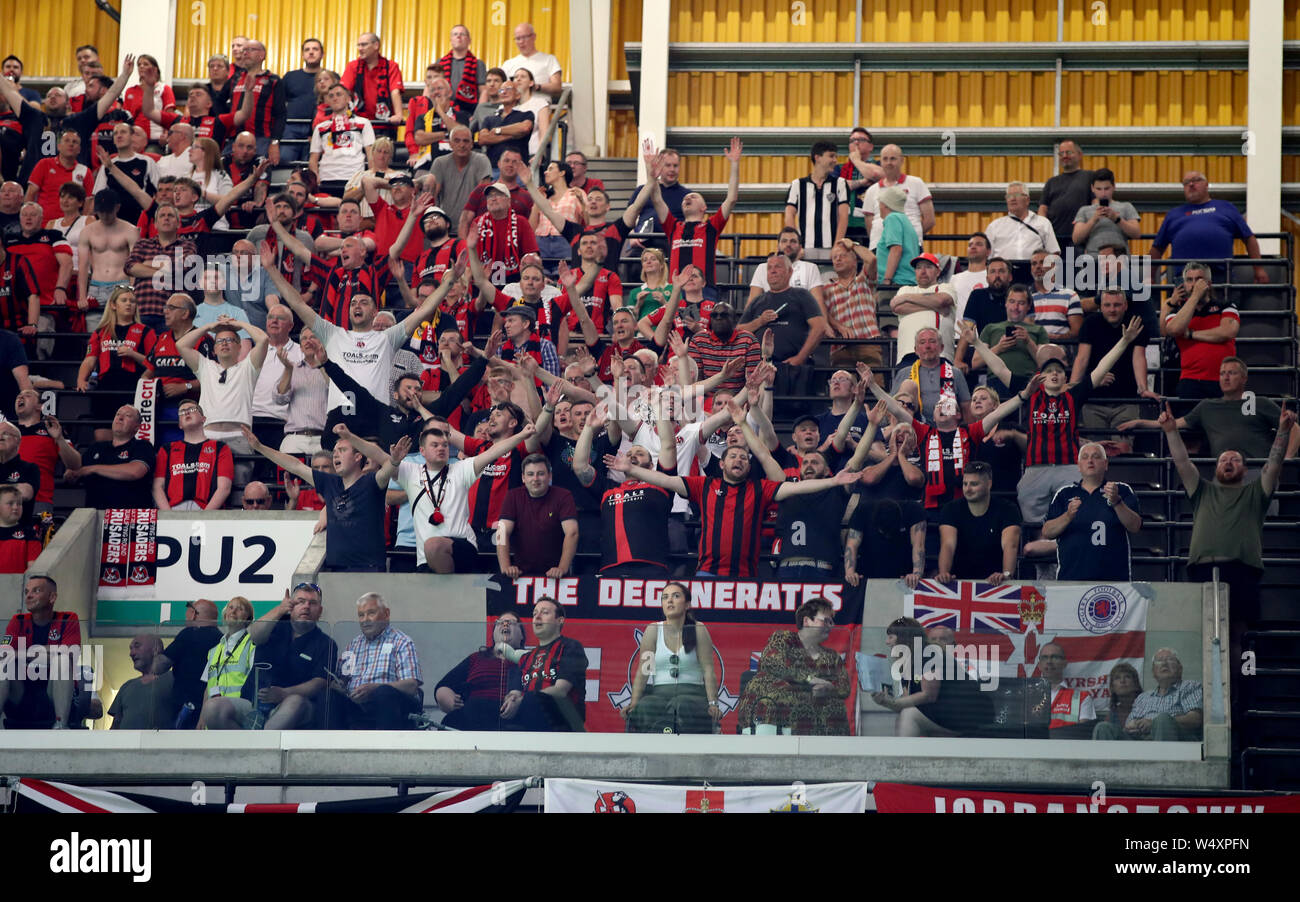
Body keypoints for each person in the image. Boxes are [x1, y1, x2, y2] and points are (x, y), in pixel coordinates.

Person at [608, 409, 860, 578]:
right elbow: (665, 479)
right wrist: (632, 470)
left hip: (745, 578)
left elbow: (798, 487)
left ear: (749, 466)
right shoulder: (704, 486)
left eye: (742, 457)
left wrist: (833, 482)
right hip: (707, 573)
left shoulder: (760, 488)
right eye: (733, 457)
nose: (738, 460)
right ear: (721, 464)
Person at [1164, 401, 1294, 662]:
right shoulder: (1202, 491)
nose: (1229, 462)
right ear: (1216, 468)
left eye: (1235, 459)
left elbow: (1274, 462)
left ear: (1245, 470)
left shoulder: (1255, 493)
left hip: (1241, 570)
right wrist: (1170, 431)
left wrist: (1282, 431)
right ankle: (1210, 699)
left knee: (1239, 636)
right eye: (1224, 459)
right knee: (1203, 635)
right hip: (1202, 569)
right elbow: (1181, 461)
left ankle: (1239, 700)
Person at [245, 423, 408, 571]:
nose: (336, 455)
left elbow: (389, 466)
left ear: (358, 457)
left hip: (369, 568)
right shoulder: (330, 482)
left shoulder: (373, 482)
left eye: (342, 451)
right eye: (335, 452)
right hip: (335, 569)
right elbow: (295, 465)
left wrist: (393, 460)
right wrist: (260, 447)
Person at [395, 422, 534, 573]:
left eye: (445, 445)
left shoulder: (461, 468)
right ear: (422, 450)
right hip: (426, 559)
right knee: (431, 550)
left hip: (462, 546)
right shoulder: (410, 470)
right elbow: (378, 457)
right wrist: (393, 461)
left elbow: (494, 452)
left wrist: (521, 435)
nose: (441, 448)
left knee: (433, 545)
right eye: (435, 445)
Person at [1121, 357, 1300, 461]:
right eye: (1222, 373)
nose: (1226, 377)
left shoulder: (1259, 402)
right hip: (1224, 474)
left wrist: (1288, 459)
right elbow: (1174, 424)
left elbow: (1294, 428)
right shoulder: (1207, 406)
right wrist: (1140, 422)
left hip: (1259, 472)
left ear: (1244, 378)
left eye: (1232, 373)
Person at [736, 598, 850, 735]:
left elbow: (844, 687)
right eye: (825, 621)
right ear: (807, 621)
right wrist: (809, 680)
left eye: (831, 622)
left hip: (815, 725)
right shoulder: (783, 639)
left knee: (835, 706)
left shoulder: (832, 656)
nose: (830, 626)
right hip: (772, 722)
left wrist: (828, 688)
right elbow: (773, 664)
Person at [623, 582, 720, 733]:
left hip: (692, 695)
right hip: (660, 694)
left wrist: (713, 703)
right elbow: (643, 672)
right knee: (646, 706)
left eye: (676, 596)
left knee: (680, 703)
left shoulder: (698, 629)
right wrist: (634, 703)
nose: (669, 601)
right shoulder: (653, 630)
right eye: (665, 597)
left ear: (687, 604)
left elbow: (708, 670)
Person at [871, 617, 992, 736]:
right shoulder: (909, 663)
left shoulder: (929, 653)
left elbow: (928, 695)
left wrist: (893, 702)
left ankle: (904, 755)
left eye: (891, 637)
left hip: (969, 716)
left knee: (909, 715)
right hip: (950, 716)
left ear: (904, 637)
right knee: (907, 712)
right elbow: (905, 702)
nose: (887, 642)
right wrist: (884, 701)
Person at [649, 137, 742, 290]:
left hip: (704, 291)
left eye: (694, 196)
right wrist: (651, 173)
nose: (688, 197)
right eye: (686, 197)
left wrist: (735, 164)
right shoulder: (673, 226)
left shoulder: (711, 226)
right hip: (675, 293)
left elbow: (731, 198)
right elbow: (657, 200)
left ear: (703, 207)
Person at [242, 583, 339, 729]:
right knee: (215, 708)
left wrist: (284, 693)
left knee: (294, 702)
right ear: (291, 606)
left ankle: (262, 747)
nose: (306, 606)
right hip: (253, 702)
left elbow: (320, 682)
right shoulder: (273, 626)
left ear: (320, 611)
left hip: (293, 706)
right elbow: (253, 635)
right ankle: (249, 745)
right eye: (300, 601)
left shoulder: (326, 643)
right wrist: (280, 609)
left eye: (312, 603)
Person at [1040, 443, 1141, 580]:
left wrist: (1117, 502)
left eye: (1096, 457)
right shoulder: (1064, 494)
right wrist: (1068, 516)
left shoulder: (1121, 490)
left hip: (1114, 582)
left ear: (1105, 464)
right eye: (1085, 457)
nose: (1090, 461)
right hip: (1071, 580)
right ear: (1079, 465)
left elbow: (1135, 526)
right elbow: (1047, 532)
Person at [1151, 171, 1267, 283]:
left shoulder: (1226, 207)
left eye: (1196, 180)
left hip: (1220, 276)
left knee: (1224, 303)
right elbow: (1157, 248)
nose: (1191, 184)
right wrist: (1149, 277)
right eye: (1186, 182)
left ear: (1206, 185)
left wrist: (1259, 269)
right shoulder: (1173, 214)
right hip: (1184, 279)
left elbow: (1249, 238)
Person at [738, 253, 827, 398]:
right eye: (769, 268)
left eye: (778, 267)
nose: (772, 271)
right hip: (761, 369)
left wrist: (800, 358)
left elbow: (819, 327)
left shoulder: (802, 295)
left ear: (790, 271)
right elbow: (739, 331)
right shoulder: (758, 301)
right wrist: (760, 321)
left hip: (793, 369)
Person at [177, 317, 269, 455]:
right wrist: (209, 326)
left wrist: (239, 324)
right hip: (208, 436)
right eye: (219, 341)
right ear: (214, 349)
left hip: (239, 436)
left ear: (239, 347)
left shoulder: (248, 367)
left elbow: (263, 340)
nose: (224, 343)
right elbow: (181, 345)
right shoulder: (205, 366)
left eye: (230, 340)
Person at [332, 592, 423, 729]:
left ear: (386, 614)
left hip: (389, 707)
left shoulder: (402, 642)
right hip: (356, 707)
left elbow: (411, 685)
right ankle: (328, 747)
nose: (365, 620)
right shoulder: (353, 645)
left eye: (371, 613)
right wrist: (338, 685)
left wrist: (375, 688)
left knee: (383, 693)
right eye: (361, 615)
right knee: (328, 696)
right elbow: (341, 680)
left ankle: (385, 748)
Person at [0, 575, 80, 729]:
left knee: (62, 660)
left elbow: (69, 653)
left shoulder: (68, 618)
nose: (29, 595)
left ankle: (61, 725)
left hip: (54, 694)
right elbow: (4, 654)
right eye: (27, 591)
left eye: (36, 591)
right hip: (21, 693)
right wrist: (50, 653)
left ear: (52, 597)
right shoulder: (18, 620)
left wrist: (20, 653)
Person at [498, 597, 587, 731]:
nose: (537, 617)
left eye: (544, 613)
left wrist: (523, 700)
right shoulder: (526, 658)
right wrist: (512, 699)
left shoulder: (570, 647)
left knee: (531, 700)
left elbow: (561, 691)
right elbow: (514, 693)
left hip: (561, 722)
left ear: (559, 620)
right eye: (534, 614)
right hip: (527, 719)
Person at [1161, 262, 1239, 406]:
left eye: (1198, 279)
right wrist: (1195, 296)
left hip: (1222, 380)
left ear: (1208, 283)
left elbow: (1227, 332)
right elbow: (1173, 330)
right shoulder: (1177, 313)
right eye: (1189, 280)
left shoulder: (1226, 306)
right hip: (1190, 381)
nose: (1194, 284)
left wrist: (1191, 334)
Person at [435, 611, 524, 731]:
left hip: (510, 716)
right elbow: (444, 685)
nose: (505, 625)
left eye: (511, 623)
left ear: (522, 635)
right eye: (500, 623)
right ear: (493, 634)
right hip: (472, 715)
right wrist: (450, 700)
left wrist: (520, 699)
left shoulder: (528, 658)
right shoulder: (476, 658)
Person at [936, 461, 1021, 584]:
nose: (968, 489)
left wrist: (1006, 575)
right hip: (959, 582)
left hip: (995, 582)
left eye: (974, 484)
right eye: (965, 484)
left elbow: (1010, 545)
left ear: (989, 484)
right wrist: (944, 573)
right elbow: (948, 545)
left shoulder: (1008, 509)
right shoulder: (950, 509)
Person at [496, 453, 578, 578]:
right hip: (520, 574)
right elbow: (502, 531)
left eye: (540, 473)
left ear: (549, 476)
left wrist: (562, 568)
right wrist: (506, 567)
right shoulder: (512, 496)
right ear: (523, 478)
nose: (535, 478)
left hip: (556, 574)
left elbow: (572, 532)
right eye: (530, 474)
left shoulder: (563, 496)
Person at [1093, 648, 1203, 741]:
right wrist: (1134, 725)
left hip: (1174, 741)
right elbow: (1128, 726)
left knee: (1163, 720)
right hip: (1140, 741)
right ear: (1154, 672)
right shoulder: (1143, 697)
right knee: (1103, 728)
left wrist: (1153, 723)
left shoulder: (1189, 686)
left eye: (1170, 660)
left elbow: (1195, 719)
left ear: (1180, 669)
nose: (1164, 663)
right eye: (1159, 661)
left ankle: (1162, 767)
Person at [65, 404, 155, 509]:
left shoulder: (142, 446)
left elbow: (135, 472)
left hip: (131, 517)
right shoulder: (96, 448)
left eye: (128, 416)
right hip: (96, 517)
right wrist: (59, 439)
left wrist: (93, 468)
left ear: (137, 427)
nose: (120, 418)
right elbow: (76, 473)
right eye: (118, 414)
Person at [152, 401, 234, 511]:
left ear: (203, 419)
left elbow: (224, 488)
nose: (186, 413)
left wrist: (205, 516)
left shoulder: (220, 448)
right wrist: (169, 515)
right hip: (173, 510)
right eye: (182, 412)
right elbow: (157, 487)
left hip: (208, 510)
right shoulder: (166, 449)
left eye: (192, 409)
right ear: (180, 425)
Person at [75, 190, 138, 332]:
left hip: (122, 285)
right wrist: (82, 296)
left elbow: (134, 265)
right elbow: (83, 266)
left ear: (117, 207)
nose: (104, 215)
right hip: (96, 286)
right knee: (94, 335)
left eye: (108, 211)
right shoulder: (87, 231)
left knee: (122, 332)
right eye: (101, 211)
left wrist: (132, 291)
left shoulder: (130, 230)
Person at [151, 598, 221, 725]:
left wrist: (157, 653)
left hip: (185, 708)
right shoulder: (222, 640)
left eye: (189, 610)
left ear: (194, 614)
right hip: (212, 708)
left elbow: (159, 667)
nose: (186, 615)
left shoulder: (188, 634)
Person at [973, 284, 1049, 396]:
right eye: (1012, 301)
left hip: (1028, 381)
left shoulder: (1038, 330)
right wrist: (999, 348)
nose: (1015, 307)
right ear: (1006, 303)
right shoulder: (991, 328)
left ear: (1028, 306)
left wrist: (1028, 342)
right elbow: (975, 363)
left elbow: (1046, 364)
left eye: (1021, 303)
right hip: (996, 381)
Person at [890, 326, 972, 424]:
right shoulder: (904, 373)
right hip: (914, 429)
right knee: (908, 386)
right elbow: (891, 408)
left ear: (941, 348)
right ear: (916, 350)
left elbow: (966, 408)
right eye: (922, 342)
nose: (927, 346)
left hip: (947, 427)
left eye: (932, 341)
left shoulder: (955, 373)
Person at [197, 597, 256, 728]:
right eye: (230, 607)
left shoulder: (251, 644)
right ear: (225, 614)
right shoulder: (214, 651)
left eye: (240, 609)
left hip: (238, 716)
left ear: (248, 618)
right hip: (213, 716)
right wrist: (202, 718)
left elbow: (256, 683)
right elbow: (208, 688)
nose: (233, 611)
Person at [785, 140, 849, 260]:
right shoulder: (797, 184)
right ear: (818, 157)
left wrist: (837, 245)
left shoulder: (840, 184)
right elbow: (789, 215)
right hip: (805, 249)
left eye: (836, 156)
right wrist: (796, 245)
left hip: (831, 249)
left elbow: (844, 216)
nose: (835, 160)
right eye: (831, 156)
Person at [309, 83, 376, 196]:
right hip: (327, 178)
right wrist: (316, 177)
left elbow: (371, 153)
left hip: (354, 178)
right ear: (328, 101)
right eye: (331, 96)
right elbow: (313, 158)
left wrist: (371, 177)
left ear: (348, 99)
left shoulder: (363, 123)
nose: (335, 98)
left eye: (339, 94)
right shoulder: (320, 127)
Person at [822, 238, 880, 368]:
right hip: (840, 347)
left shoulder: (864, 280)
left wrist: (853, 245)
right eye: (835, 257)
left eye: (842, 256)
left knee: (874, 385)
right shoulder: (826, 288)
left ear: (855, 261)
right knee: (843, 386)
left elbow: (872, 259)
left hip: (868, 342)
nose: (838, 259)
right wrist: (839, 327)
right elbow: (821, 312)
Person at [891, 251, 957, 362]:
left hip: (941, 354)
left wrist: (907, 298)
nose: (923, 271)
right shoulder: (905, 289)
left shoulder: (946, 287)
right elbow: (897, 307)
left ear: (938, 272)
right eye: (918, 268)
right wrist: (935, 306)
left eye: (928, 267)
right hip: (908, 354)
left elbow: (942, 300)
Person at [340, 32, 405, 138]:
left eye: (364, 45)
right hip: (357, 125)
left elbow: (395, 91)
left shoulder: (391, 66)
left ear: (376, 46)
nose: (360, 48)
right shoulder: (353, 66)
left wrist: (398, 115)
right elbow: (344, 91)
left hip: (384, 124)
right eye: (359, 45)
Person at [430, 125, 491, 233]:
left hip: (473, 228)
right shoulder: (440, 163)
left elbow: (484, 195)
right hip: (445, 228)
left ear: (472, 144)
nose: (462, 145)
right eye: (457, 141)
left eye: (466, 141)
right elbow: (432, 196)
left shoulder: (481, 160)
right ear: (450, 144)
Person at [25, 129, 94, 223]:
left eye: (75, 142)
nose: (71, 144)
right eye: (67, 141)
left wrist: (81, 225)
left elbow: (89, 202)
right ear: (59, 146)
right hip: (43, 225)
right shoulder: (44, 164)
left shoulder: (85, 171)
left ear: (79, 150)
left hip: (71, 228)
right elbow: (30, 194)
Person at [107, 634, 174, 729]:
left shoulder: (174, 678)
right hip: (126, 743)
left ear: (156, 649)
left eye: (137, 646)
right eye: (131, 648)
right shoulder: (126, 686)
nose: (131, 653)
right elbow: (115, 725)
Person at [1038, 139, 1093, 253]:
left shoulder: (1090, 177)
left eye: (1068, 152)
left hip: (1080, 240)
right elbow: (1043, 209)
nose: (1065, 156)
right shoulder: (1051, 182)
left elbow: (1095, 206)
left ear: (1079, 155)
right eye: (1061, 153)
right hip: (1054, 241)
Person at [1071, 168, 1140, 256]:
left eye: (1106, 189)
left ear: (1113, 187)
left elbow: (1136, 233)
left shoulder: (1126, 206)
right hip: (1093, 261)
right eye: (1099, 189)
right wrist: (1093, 220)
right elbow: (1076, 238)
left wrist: (1117, 219)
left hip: (1119, 260)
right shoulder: (1084, 210)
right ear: (1092, 188)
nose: (1103, 193)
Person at [1034, 642, 1096, 737]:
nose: (1049, 661)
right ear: (1039, 665)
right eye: (1044, 657)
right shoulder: (1027, 695)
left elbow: (1084, 736)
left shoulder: (1082, 698)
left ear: (1065, 664)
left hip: (1067, 750)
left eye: (1054, 657)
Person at [984, 181, 1058, 261]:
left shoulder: (1043, 223)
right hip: (1003, 272)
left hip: (1034, 271)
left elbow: (1053, 252)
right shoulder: (995, 226)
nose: (1012, 198)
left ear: (1027, 200)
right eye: (1009, 196)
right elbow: (985, 256)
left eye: (1017, 195)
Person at [1030, 249, 1083, 339]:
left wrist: (1057, 338)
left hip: (1061, 348)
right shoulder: (1025, 296)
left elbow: (1077, 331)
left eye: (1042, 262)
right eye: (1034, 264)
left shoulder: (1070, 295)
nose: (1038, 266)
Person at [501, 22, 563, 96]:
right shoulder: (508, 64)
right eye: (518, 38)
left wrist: (534, 87)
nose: (521, 42)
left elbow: (557, 87)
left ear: (534, 37)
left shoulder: (549, 60)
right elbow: (500, 90)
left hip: (539, 105)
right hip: (513, 105)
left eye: (524, 37)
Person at [874, 185, 919, 285]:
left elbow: (896, 249)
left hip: (896, 282)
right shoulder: (903, 219)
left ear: (885, 204)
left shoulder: (892, 218)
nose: (879, 206)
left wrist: (887, 279)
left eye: (880, 202)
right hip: (905, 281)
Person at [0, 421, 39, 526]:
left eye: (6, 433)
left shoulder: (30, 468)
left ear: (17, 441)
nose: (0, 437)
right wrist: (12, 488)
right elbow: (19, 491)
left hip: (18, 535)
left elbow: (26, 493)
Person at [0, 485, 40, 573]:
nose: (15, 507)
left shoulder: (29, 534)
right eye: (10, 503)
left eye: (19, 504)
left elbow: (33, 568)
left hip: (18, 585)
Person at [1097, 662, 1142, 729]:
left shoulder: (1146, 707)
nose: (1122, 681)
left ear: (1135, 684)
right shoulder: (1112, 714)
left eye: (1127, 677)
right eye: (1117, 678)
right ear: (1112, 687)